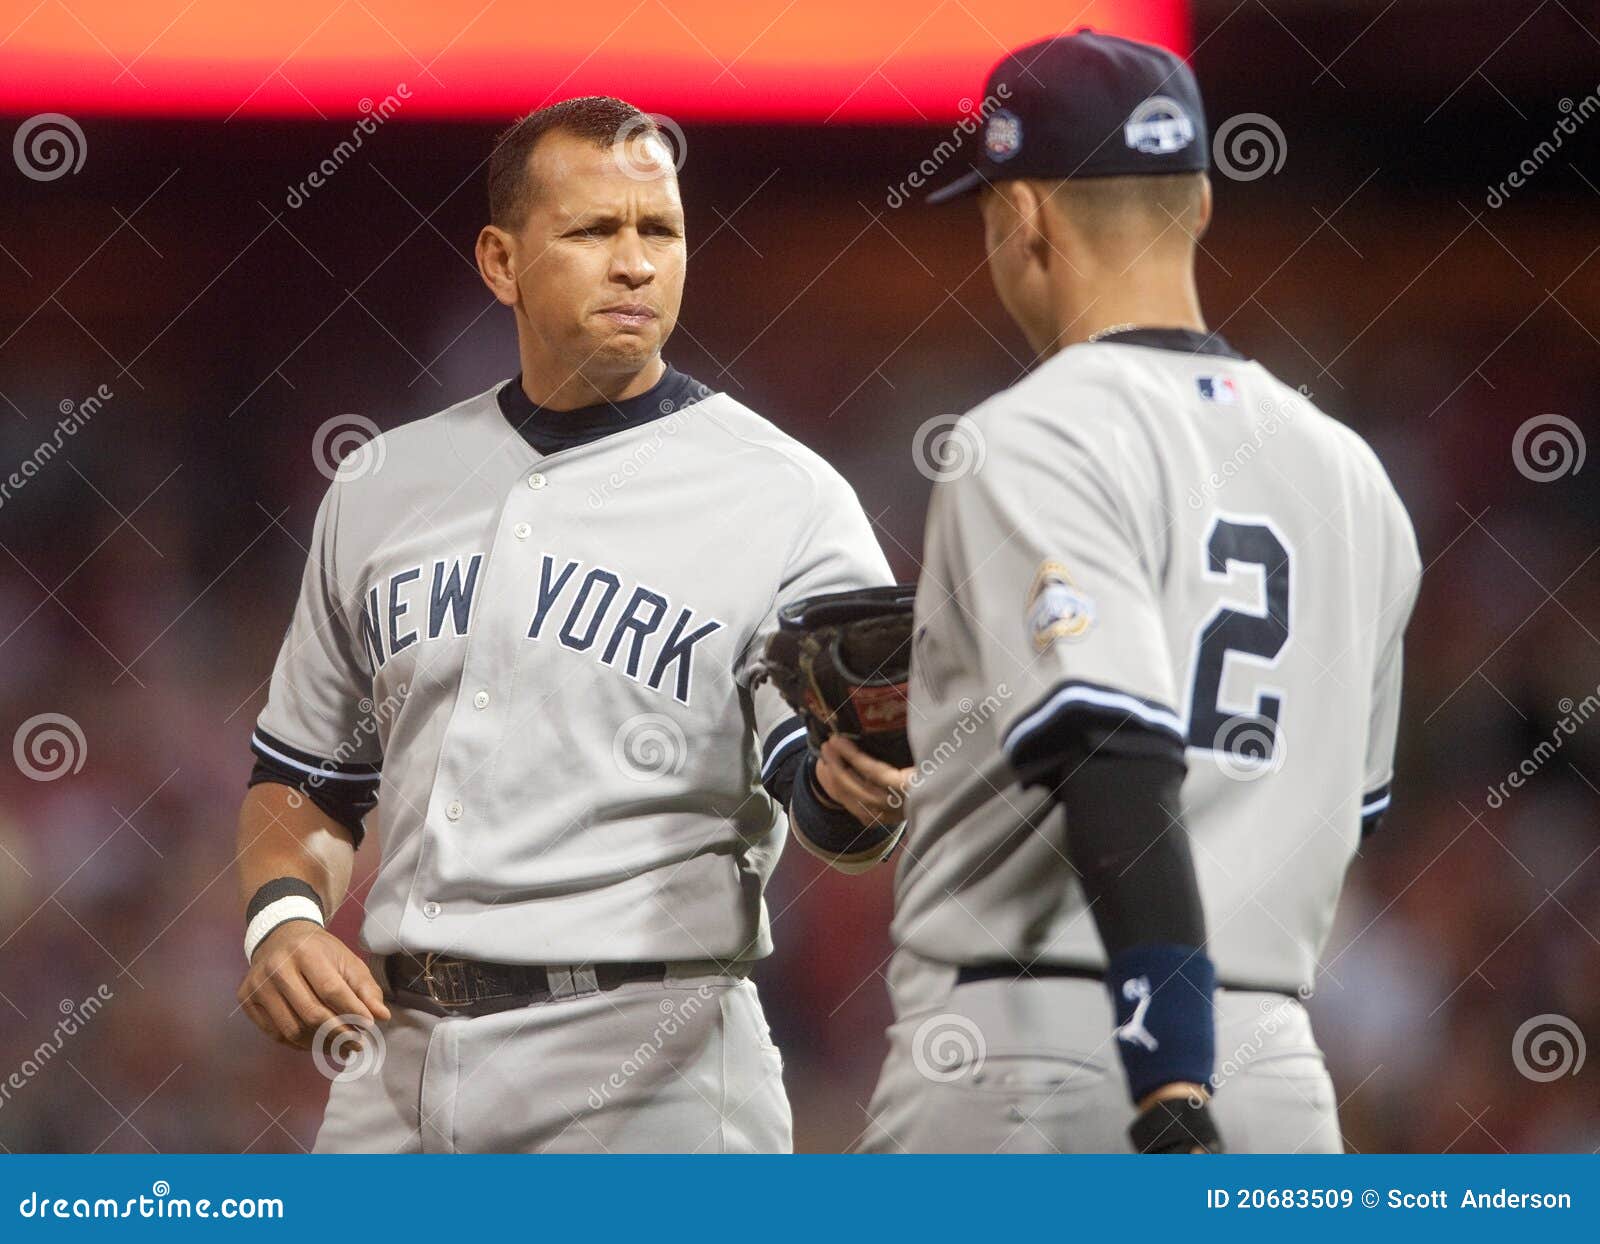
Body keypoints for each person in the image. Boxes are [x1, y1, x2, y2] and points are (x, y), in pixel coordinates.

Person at [233, 96, 910, 1154]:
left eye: (660, 231)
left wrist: (857, 786)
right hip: (392, 1067)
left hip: (653, 1072)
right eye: (595, 230)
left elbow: (830, 801)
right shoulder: (381, 483)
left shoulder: (785, 499)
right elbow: (305, 775)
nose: (636, 263)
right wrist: (282, 915)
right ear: (501, 262)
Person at [857, 31, 1421, 1154]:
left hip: (1052, 1052)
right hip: (1279, 1072)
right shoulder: (1354, 475)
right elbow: (1349, 808)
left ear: (1021, 217)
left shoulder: (1030, 434)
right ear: (1201, 203)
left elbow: (1113, 750)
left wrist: (1168, 1076)